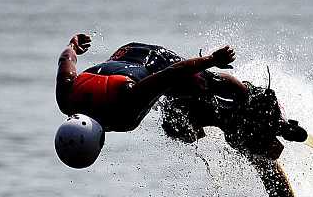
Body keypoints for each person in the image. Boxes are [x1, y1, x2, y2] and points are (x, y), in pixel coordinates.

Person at [54, 33, 246, 168]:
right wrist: (73, 45)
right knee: (180, 129)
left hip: (155, 59)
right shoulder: (66, 99)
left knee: (204, 85)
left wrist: (211, 59)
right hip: (126, 52)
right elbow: (65, 61)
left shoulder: (124, 109)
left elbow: (170, 74)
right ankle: (209, 114)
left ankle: (247, 95)